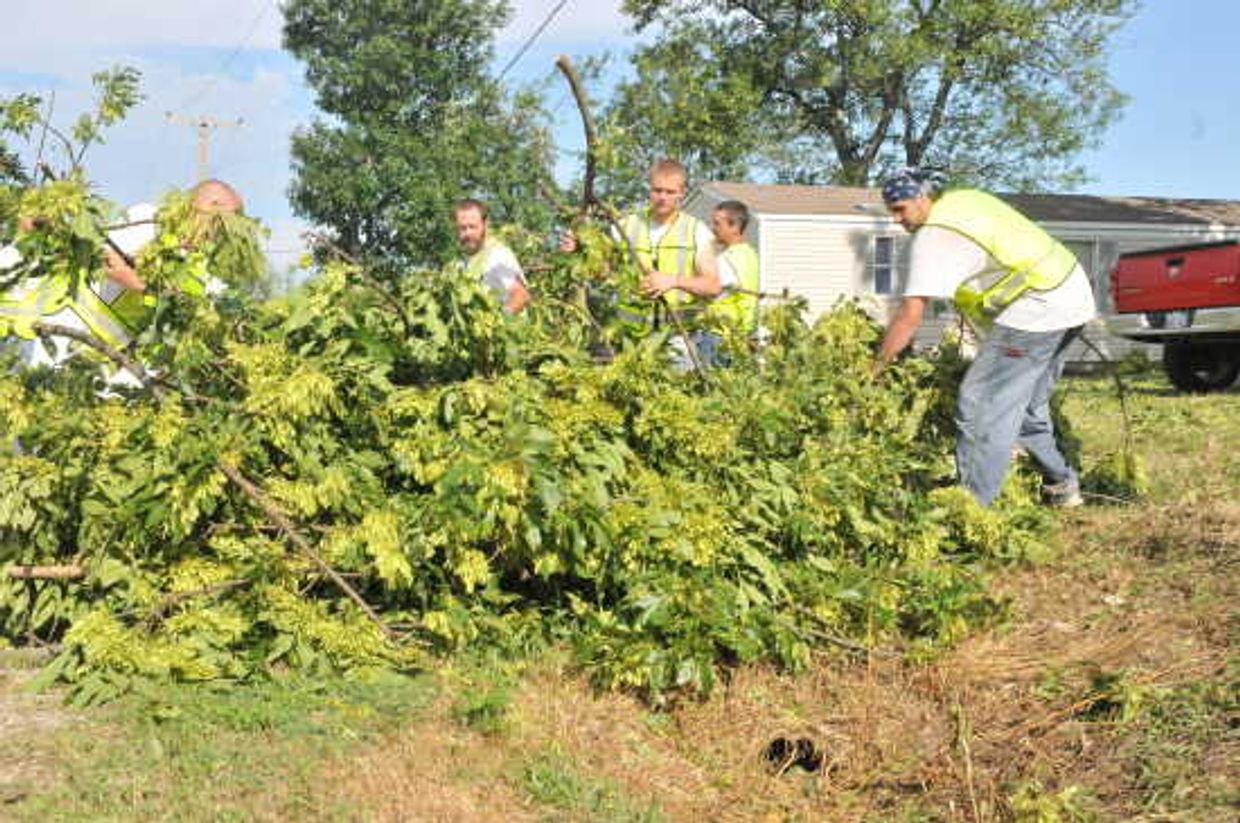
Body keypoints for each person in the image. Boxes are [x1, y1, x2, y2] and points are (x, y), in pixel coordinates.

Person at [873, 168, 1095, 507]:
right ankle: (1062, 486)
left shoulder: (934, 237)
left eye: (900, 209)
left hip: (1038, 305)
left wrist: (876, 367)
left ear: (922, 198)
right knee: (1026, 404)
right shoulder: (966, 200)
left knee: (980, 403)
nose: (896, 219)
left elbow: (909, 316)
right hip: (1072, 291)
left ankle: (971, 509)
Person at [0, 178, 245, 371]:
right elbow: (106, 260)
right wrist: (149, 288)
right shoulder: (152, 220)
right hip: (66, 332)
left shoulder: (199, 268)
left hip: (109, 361)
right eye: (225, 220)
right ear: (210, 206)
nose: (224, 231)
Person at [560, 158, 721, 365]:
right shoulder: (626, 225)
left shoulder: (696, 230)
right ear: (649, 189)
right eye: (657, 190)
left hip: (678, 339)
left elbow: (713, 285)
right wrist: (580, 249)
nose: (662, 197)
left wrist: (673, 281)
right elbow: (603, 272)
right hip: (629, 339)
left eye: (670, 192)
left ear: (682, 192)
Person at [452, 198, 530, 315]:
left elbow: (521, 295)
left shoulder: (497, 255)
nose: (468, 233)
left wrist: (501, 319)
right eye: (463, 228)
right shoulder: (460, 264)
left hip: (505, 324)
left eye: (472, 227)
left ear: (485, 225)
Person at [706, 200, 760, 342]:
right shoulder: (748, 253)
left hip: (720, 332)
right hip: (738, 333)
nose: (712, 228)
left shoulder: (729, 258)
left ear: (735, 227)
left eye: (717, 224)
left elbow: (708, 290)